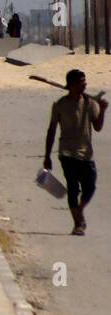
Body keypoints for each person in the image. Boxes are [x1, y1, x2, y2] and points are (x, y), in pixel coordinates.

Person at [44, 69, 107, 235]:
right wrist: (47, 156)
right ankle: (78, 223)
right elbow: (51, 130)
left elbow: (98, 127)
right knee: (73, 187)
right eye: (81, 83)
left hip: (86, 153)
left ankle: (78, 211)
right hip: (67, 153)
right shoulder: (60, 105)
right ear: (71, 85)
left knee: (90, 186)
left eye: (85, 83)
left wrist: (103, 110)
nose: (84, 86)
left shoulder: (90, 104)